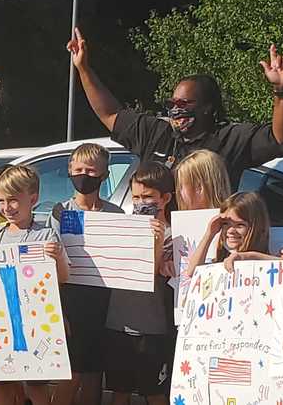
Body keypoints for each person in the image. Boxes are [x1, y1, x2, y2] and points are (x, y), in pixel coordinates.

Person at [66, 27, 283, 186]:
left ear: (207, 107)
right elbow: (110, 113)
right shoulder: (155, 132)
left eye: (185, 103)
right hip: (156, 242)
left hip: (205, 243)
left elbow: (279, 139)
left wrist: (281, 91)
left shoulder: (229, 139)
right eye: (172, 103)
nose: (176, 109)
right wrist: (83, 68)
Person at [0, 165, 69, 405]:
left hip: (35, 324)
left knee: (36, 386)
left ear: (33, 199)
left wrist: (56, 258)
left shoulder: (45, 236)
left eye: (13, 200)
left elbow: (62, 278)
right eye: (1, 201)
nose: (6, 208)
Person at [45, 143, 122, 405]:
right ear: (69, 171)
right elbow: (51, 263)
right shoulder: (60, 211)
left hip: (104, 301)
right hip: (71, 299)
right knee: (73, 373)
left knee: (93, 373)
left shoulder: (116, 214)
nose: (84, 175)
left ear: (104, 175)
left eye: (91, 170)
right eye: (78, 169)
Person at [102, 162, 176, 405]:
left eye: (148, 197)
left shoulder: (175, 234)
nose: (140, 203)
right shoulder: (123, 228)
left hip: (153, 327)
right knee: (119, 391)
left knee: (154, 393)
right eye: (135, 197)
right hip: (119, 322)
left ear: (165, 198)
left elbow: (154, 273)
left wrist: (156, 243)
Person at [185, 191, 271, 277]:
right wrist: (209, 234)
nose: (231, 230)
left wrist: (248, 256)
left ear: (258, 227)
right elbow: (192, 273)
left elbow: (282, 263)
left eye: (240, 225)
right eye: (225, 224)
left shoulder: (270, 265)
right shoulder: (218, 264)